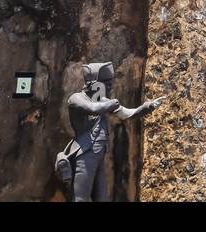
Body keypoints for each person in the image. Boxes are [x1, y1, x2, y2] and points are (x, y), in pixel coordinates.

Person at [58, 62, 164, 202]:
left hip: (99, 156)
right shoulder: (77, 99)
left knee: (102, 197)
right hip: (84, 154)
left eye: (109, 83)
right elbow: (92, 108)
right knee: (80, 197)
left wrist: (148, 107)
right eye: (106, 83)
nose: (109, 86)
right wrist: (110, 104)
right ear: (94, 83)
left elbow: (127, 114)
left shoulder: (103, 101)